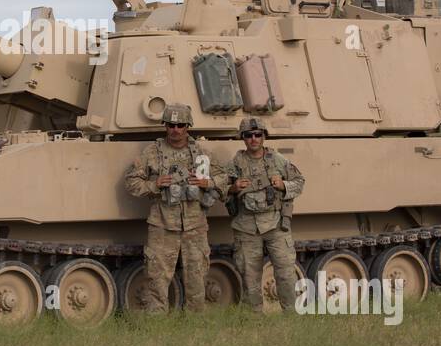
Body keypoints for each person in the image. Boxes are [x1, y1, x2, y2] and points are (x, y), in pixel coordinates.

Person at [124, 104, 228, 313]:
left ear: (187, 126)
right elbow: (131, 181)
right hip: (162, 224)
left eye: (180, 125)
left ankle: (195, 327)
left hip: (195, 225)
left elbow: (225, 178)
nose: (176, 130)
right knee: (157, 279)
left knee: (197, 277)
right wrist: (155, 184)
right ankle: (157, 325)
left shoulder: (201, 153)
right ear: (166, 126)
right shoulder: (153, 152)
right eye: (171, 125)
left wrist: (207, 183)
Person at [229, 117, 305, 312]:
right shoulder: (236, 163)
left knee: (286, 274)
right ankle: (255, 321)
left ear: (264, 137)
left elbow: (300, 182)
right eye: (248, 135)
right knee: (249, 277)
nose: (253, 139)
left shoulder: (278, 160)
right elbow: (218, 190)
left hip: (276, 224)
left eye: (258, 135)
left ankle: (291, 315)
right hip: (246, 227)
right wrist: (233, 188)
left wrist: (283, 185)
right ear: (243, 138)